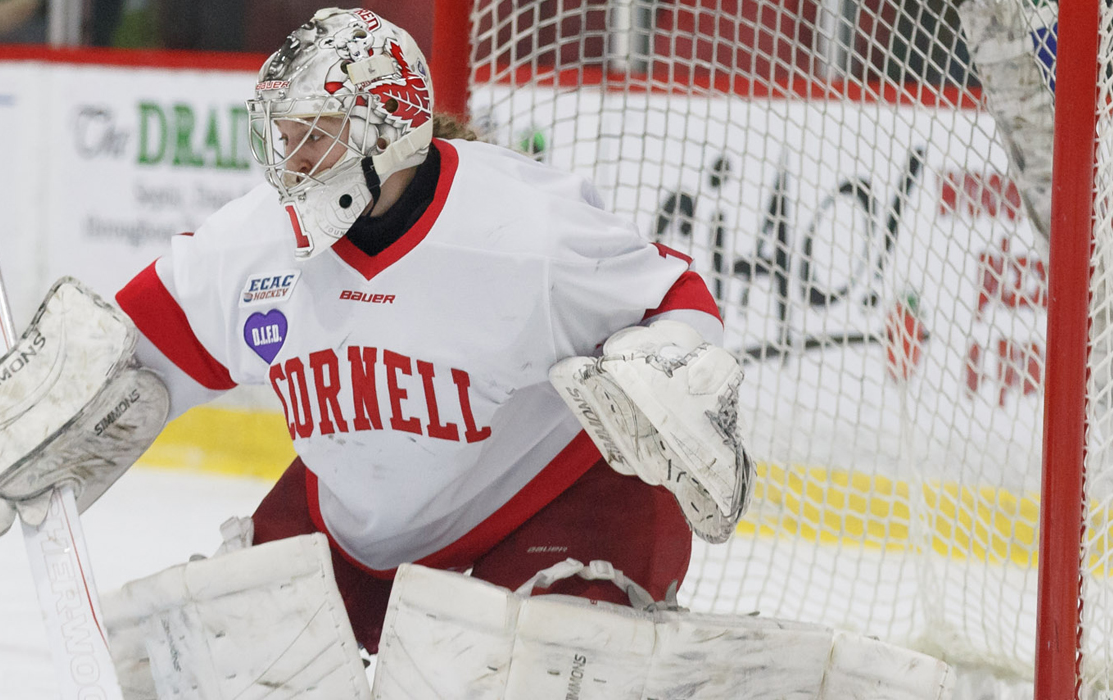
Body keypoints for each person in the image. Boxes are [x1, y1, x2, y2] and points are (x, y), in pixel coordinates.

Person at [102, 7, 747, 652]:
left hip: (555, 498)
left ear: (389, 130)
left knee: (525, 672)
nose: (292, 162)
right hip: (363, 522)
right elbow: (131, 350)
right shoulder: (253, 244)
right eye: (284, 135)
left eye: (317, 134)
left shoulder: (523, 232)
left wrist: (670, 363)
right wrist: (61, 408)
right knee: (236, 653)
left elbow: (672, 294)